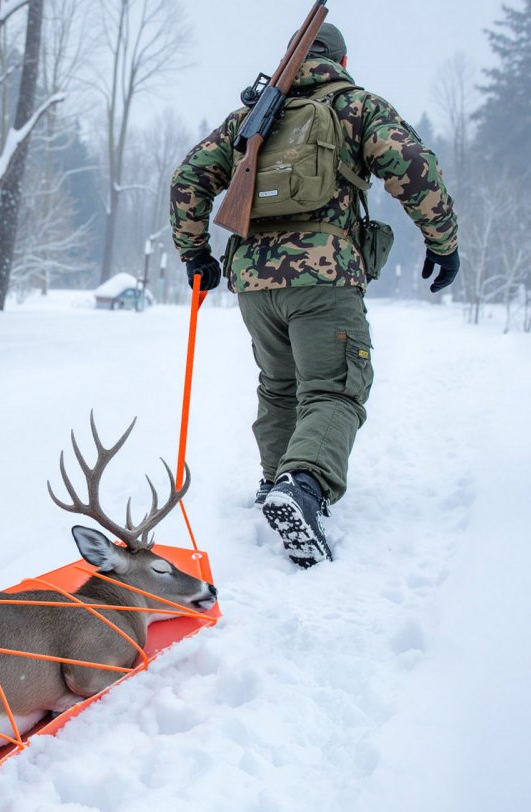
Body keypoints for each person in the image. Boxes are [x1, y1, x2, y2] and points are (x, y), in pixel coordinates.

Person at [169, 22, 459, 568]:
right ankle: (302, 486)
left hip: (254, 281)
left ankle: (276, 482)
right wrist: (443, 242)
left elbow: (188, 176)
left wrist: (195, 253)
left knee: (279, 386)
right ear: (342, 60)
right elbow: (414, 168)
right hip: (324, 276)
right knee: (336, 387)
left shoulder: (250, 117)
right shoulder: (355, 106)